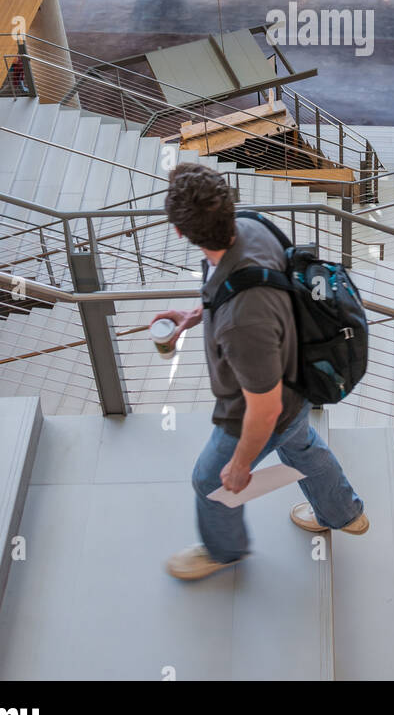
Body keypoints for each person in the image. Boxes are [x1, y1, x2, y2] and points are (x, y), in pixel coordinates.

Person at [153, 164, 368, 581]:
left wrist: (240, 465)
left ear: (181, 233)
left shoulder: (243, 324)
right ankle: (344, 513)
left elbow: (264, 411)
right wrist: (194, 316)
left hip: (269, 405)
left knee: (208, 482)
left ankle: (224, 550)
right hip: (296, 378)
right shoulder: (251, 228)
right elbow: (251, 283)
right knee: (302, 447)